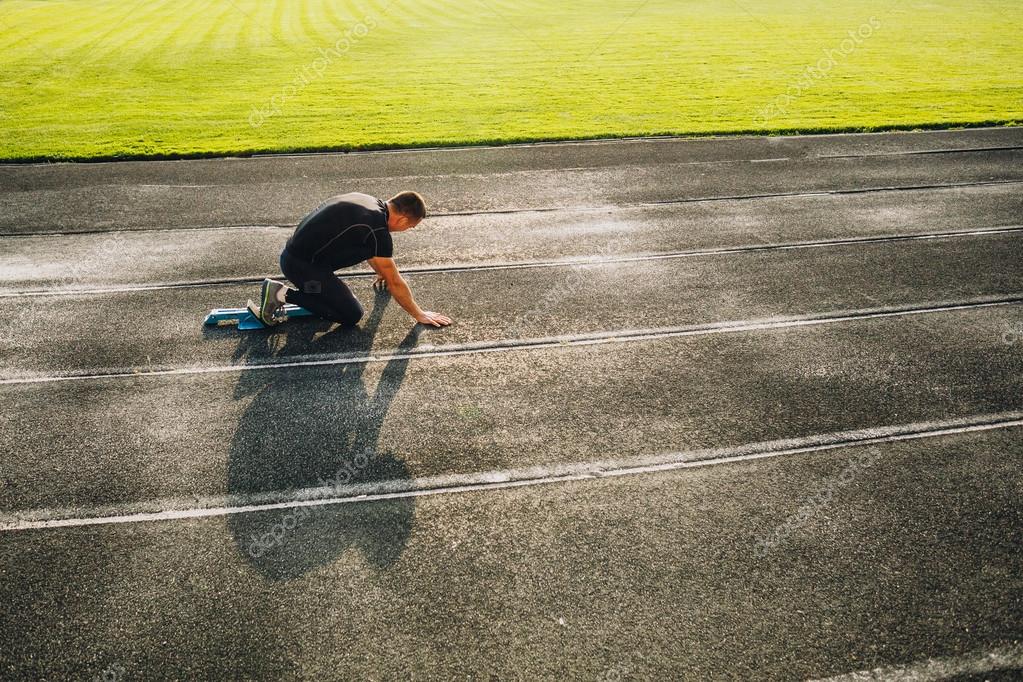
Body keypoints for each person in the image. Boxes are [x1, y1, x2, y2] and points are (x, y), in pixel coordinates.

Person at [248, 191, 452, 328]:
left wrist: (380, 271)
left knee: (330, 297)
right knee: (351, 314)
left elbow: (366, 245)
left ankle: (316, 293)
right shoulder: (378, 231)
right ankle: (281, 294)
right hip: (303, 271)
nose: (407, 230)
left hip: (296, 259)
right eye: (410, 226)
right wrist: (419, 314)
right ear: (403, 219)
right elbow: (395, 282)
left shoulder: (368, 202)